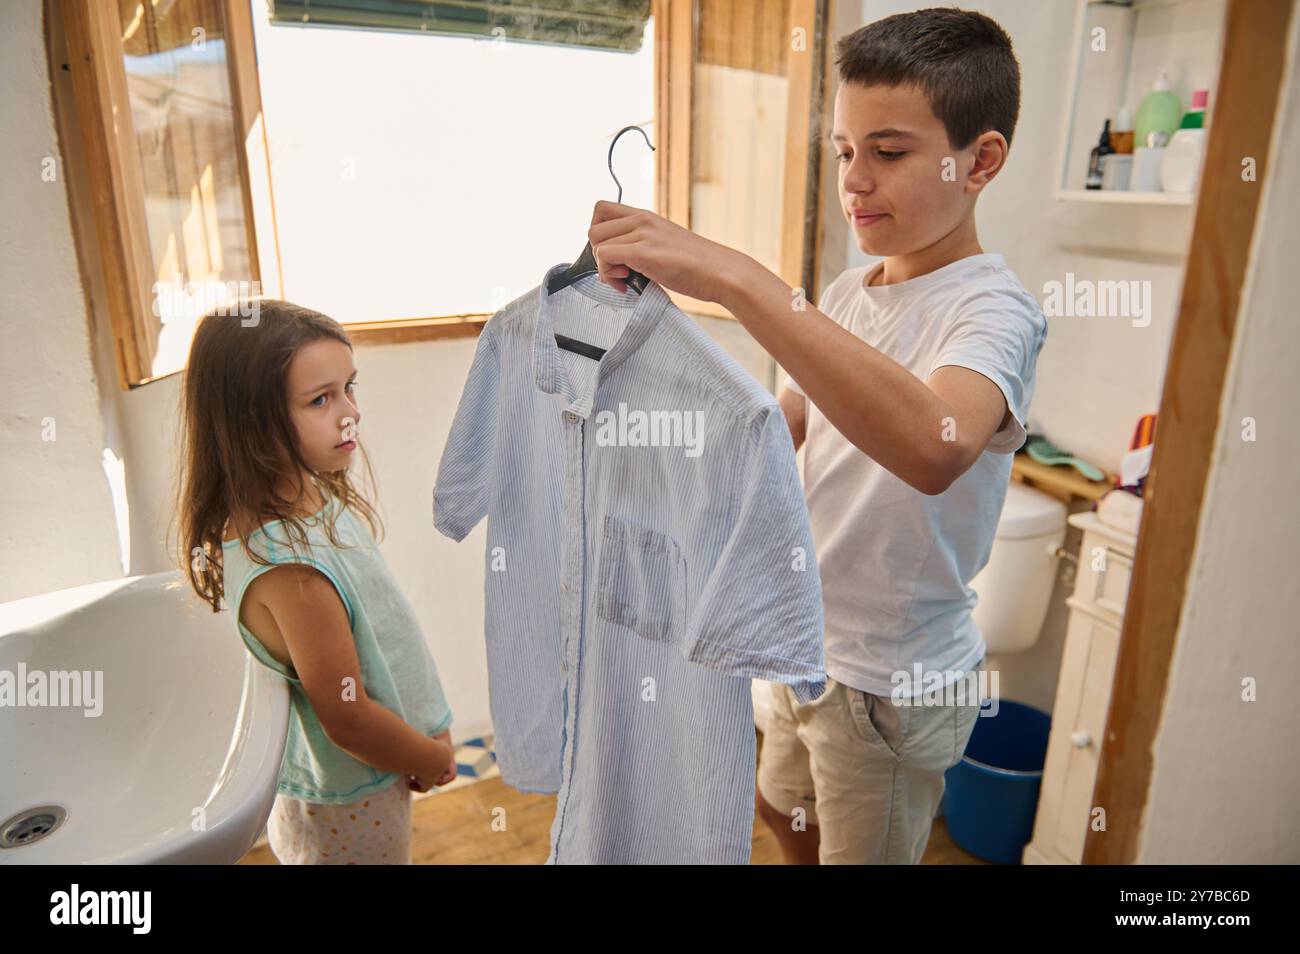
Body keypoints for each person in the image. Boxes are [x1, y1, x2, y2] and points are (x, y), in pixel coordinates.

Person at [586, 8, 1046, 863]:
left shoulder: (993, 311)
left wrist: (736, 279)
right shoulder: (848, 290)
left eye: (890, 152)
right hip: (800, 632)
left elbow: (936, 444)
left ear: (979, 161)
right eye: (843, 152)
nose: (855, 181)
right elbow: (790, 421)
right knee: (780, 808)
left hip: (888, 675)